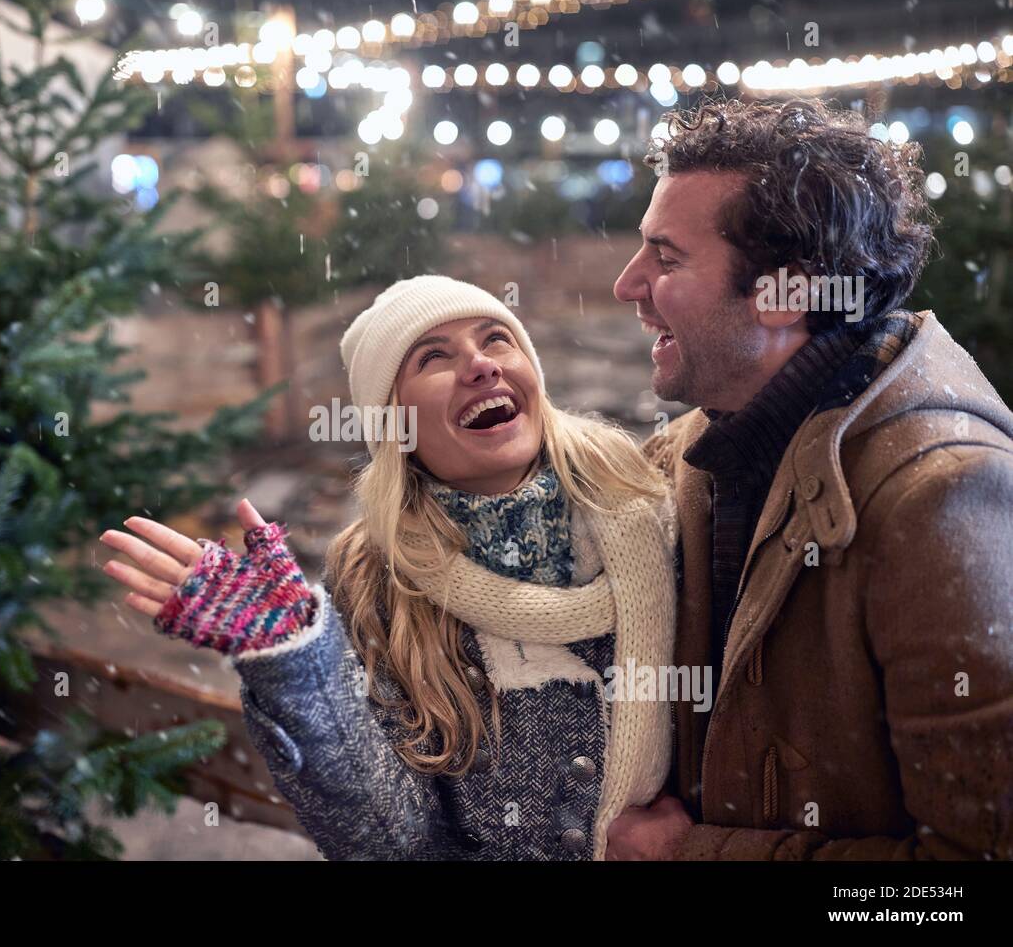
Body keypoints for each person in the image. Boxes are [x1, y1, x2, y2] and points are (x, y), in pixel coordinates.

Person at [100, 275, 677, 859]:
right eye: (434, 357)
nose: (481, 366)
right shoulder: (375, 583)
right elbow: (392, 842)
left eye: (496, 339)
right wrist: (297, 663)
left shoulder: (661, 510)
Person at [605, 98, 1013, 860]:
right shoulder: (690, 455)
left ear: (786, 294)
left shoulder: (941, 498)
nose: (628, 284)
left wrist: (689, 856)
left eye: (666, 258)